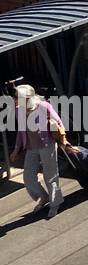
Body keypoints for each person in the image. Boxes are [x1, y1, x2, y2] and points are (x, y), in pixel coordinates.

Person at [9, 84, 67, 218]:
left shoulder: (44, 107)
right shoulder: (19, 110)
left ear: (27, 97)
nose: (14, 100)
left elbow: (59, 123)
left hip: (47, 146)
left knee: (50, 176)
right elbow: (21, 131)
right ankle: (43, 197)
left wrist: (64, 141)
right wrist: (16, 149)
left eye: (17, 97)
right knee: (28, 177)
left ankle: (55, 203)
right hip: (31, 148)